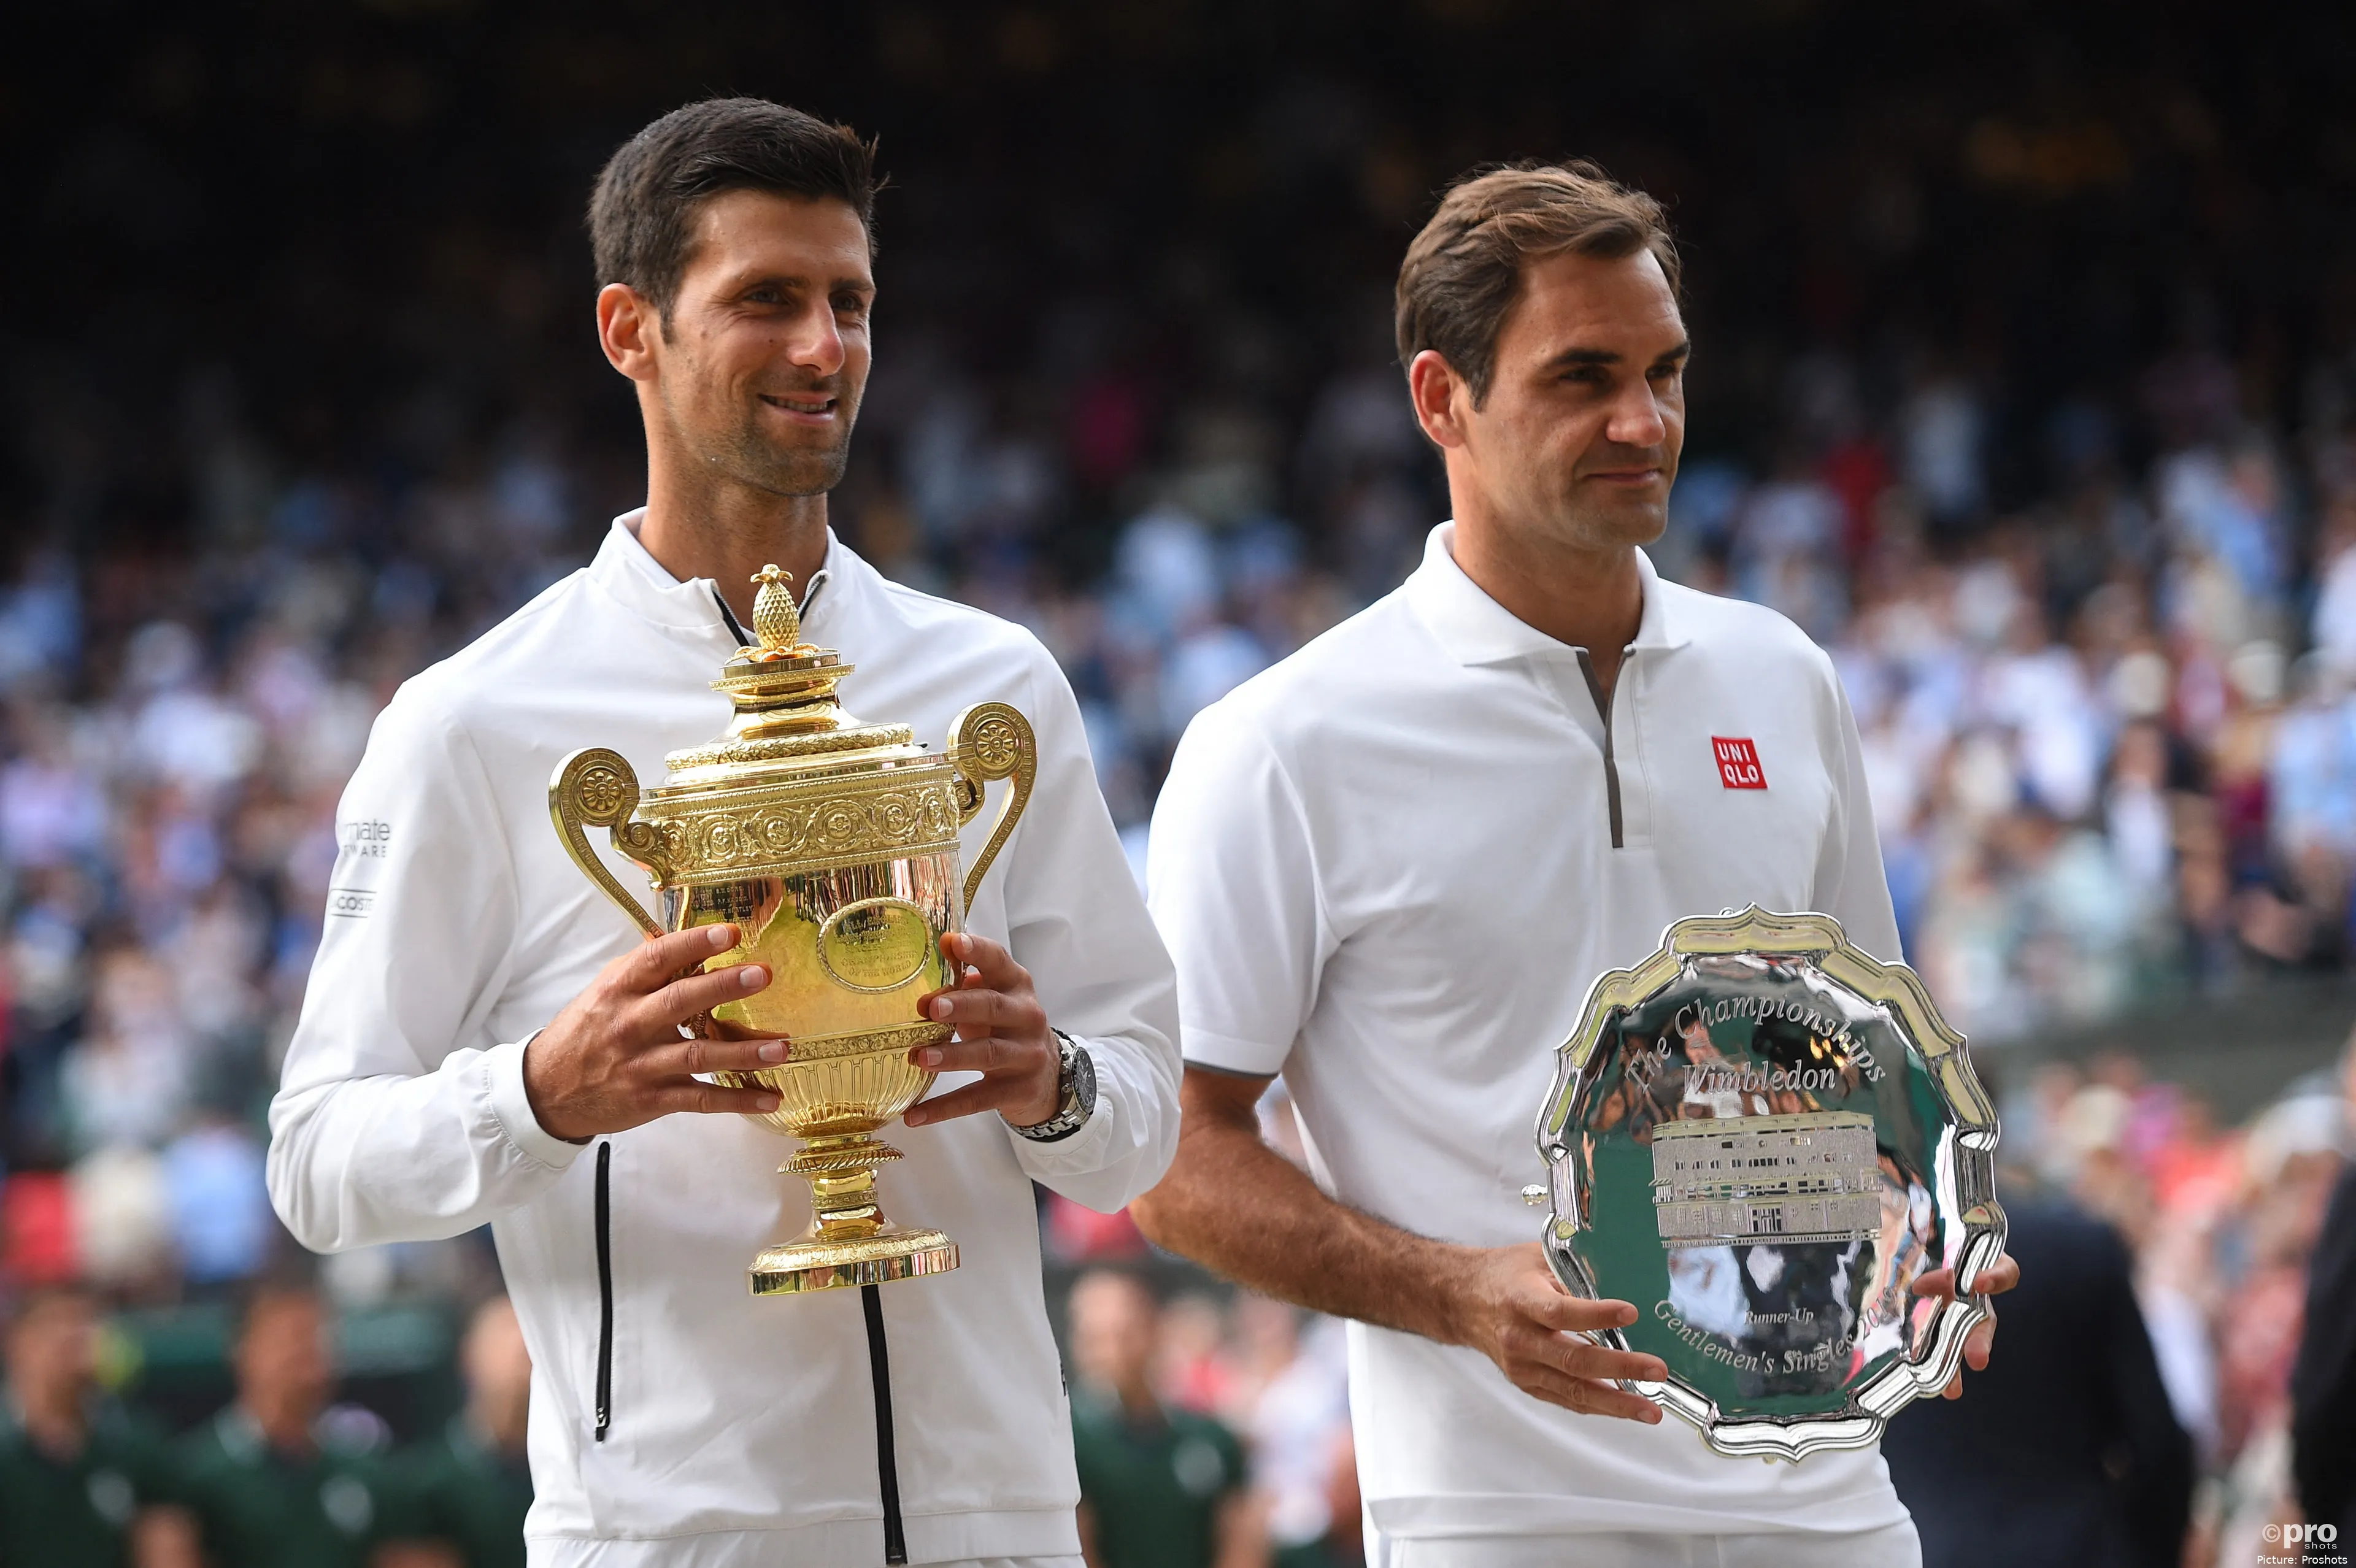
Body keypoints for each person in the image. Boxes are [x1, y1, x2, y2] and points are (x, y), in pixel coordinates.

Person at [266, 98, 1180, 1568]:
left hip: (999, 1522)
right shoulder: (475, 721)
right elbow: (318, 1163)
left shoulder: (995, 684)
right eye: (767, 298)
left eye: (850, 301)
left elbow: (1138, 1123)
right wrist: (541, 1094)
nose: (826, 346)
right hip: (672, 1535)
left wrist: (1052, 1081)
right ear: (630, 329)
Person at [1133, 162, 2017, 1568]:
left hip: (1826, 1500)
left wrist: (1918, 1236)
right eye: (1582, 377)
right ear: (1441, 401)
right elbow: (1170, 1157)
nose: (1642, 421)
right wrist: (1455, 1293)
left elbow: (1863, 1077)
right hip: (1504, 1520)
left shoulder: (1781, 678)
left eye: (1665, 373)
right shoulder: (1282, 743)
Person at [1882, 1189, 2190, 1567]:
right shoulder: (2079, 1246)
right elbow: (2157, 1443)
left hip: (1921, 1549)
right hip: (2074, 1548)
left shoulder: (1867, 1264)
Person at [171, 1284, 398, 1568]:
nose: (309, 1354)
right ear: (245, 1350)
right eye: (293, 1338)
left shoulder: (365, 1469)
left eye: (319, 1339)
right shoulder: (196, 1473)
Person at [1066, 1271, 1256, 1568]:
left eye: (1125, 1332)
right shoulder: (1067, 1444)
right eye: (1096, 1337)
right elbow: (1077, 1551)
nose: (1114, 1351)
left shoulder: (1212, 1437)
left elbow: (1243, 1541)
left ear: (1155, 1328)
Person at [0, 1284, 188, 1567]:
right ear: (15, 1341)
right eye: (54, 1322)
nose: (70, 1336)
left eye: (84, 1321)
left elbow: (166, 1550)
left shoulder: (137, 1444)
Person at [380, 1296, 535, 1568]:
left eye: (531, 1337)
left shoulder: (572, 1473)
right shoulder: (426, 1480)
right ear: (469, 1356)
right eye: (507, 1333)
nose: (522, 1348)